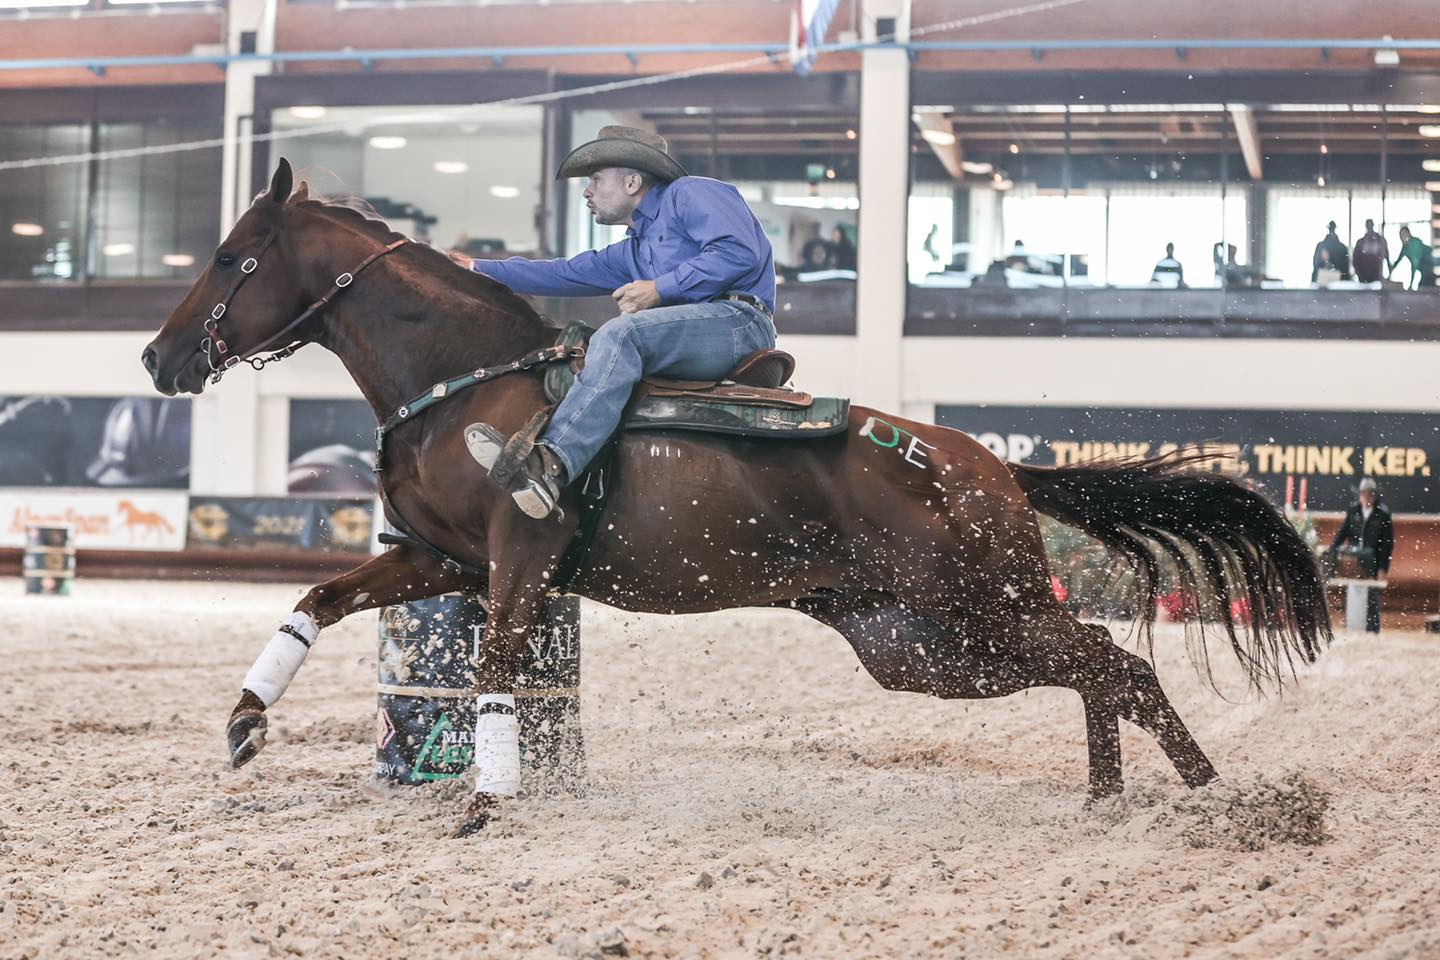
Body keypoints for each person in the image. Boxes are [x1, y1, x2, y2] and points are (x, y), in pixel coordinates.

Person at [453, 125, 777, 519]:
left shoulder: (689, 193)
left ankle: (552, 464)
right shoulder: (632, 251)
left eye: (594, 179)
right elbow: (563, 273)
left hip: (739, 322)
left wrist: (660, 288)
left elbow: (738, 252)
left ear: (632, 181)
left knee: (621, 334)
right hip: (707, 331)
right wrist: (474, 268)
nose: (587, 192)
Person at [1328, 477, 1394, 633]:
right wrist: (1333, 549)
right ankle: (1354, 625)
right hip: (1354, 560)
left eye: (1370, 494)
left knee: (1372, 596)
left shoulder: (1383, 515)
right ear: (1360, 495)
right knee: (1354, 591)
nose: (1367, 497)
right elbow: (1343, 532)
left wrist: (1383, 568)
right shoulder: (1353, 511)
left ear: (1375, 495)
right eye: (1364, 494)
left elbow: (1387, 545)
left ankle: (1372, 629)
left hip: (1374, 561)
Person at [1388, 225, 1436, 289]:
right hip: (1425, 271)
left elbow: (1415, 264)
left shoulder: (1415, 243)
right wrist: (1389, 274)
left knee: (1424, 288)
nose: (1403, 237)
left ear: (1409, 234)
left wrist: (1411, 283)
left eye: (1404, 234)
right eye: (1401, 235)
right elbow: (1398, 260)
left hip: (1430, 268)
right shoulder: (1405, 247)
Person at [1353, 219, 1389, 283]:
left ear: (1373, 225)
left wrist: (1388, 275)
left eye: (1370, 225)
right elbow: (1355, 260)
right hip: (1364, 275)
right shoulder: (1361, 242)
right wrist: (1359, 275)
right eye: (1368, 225)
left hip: (1377, 275)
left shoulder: (1380, 240)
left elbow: (1386, 256)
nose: (1369, 227)